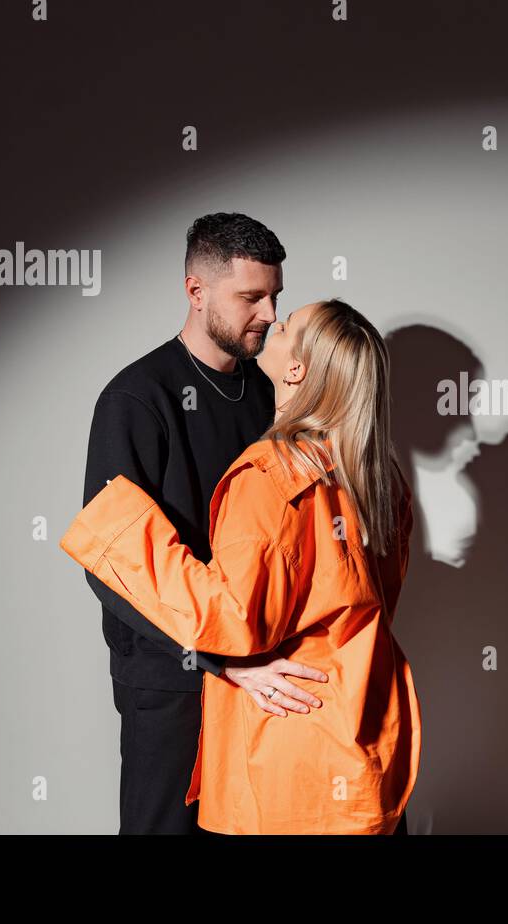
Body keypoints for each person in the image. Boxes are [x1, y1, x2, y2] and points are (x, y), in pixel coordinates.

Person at [62, 299, 421, 834]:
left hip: (286, 742)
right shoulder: (378, 476)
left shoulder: (269, 473)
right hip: (363, 729)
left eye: (287, 323)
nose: (273, 319)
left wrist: (118, 532)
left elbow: (233, 620)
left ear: (296, 369)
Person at [81, 212, 332, 834]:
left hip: (261, 672)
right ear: (196, 290)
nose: (271, 314)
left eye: (276, 296)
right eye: (251, 297)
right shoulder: (136, 399)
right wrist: (221, 662)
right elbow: (113, 564)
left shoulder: (271, 391)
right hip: (175, 684)